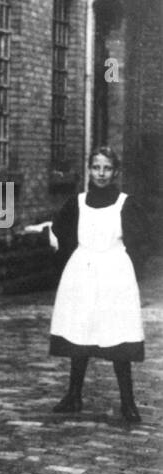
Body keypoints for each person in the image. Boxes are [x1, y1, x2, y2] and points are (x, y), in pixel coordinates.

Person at [49, 146, 150, 422]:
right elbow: (61, 233)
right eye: (96, 168)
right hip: (83, 271)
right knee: (80, 330)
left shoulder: (125, 204)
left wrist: (129, 264)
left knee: (116, 334)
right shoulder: (77, 203)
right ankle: (73, 395)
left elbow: (143, 239)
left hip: (114, 274)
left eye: (107, 168)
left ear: (115, 171)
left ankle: (128, 403)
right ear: (89, 170)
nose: (101, 174)